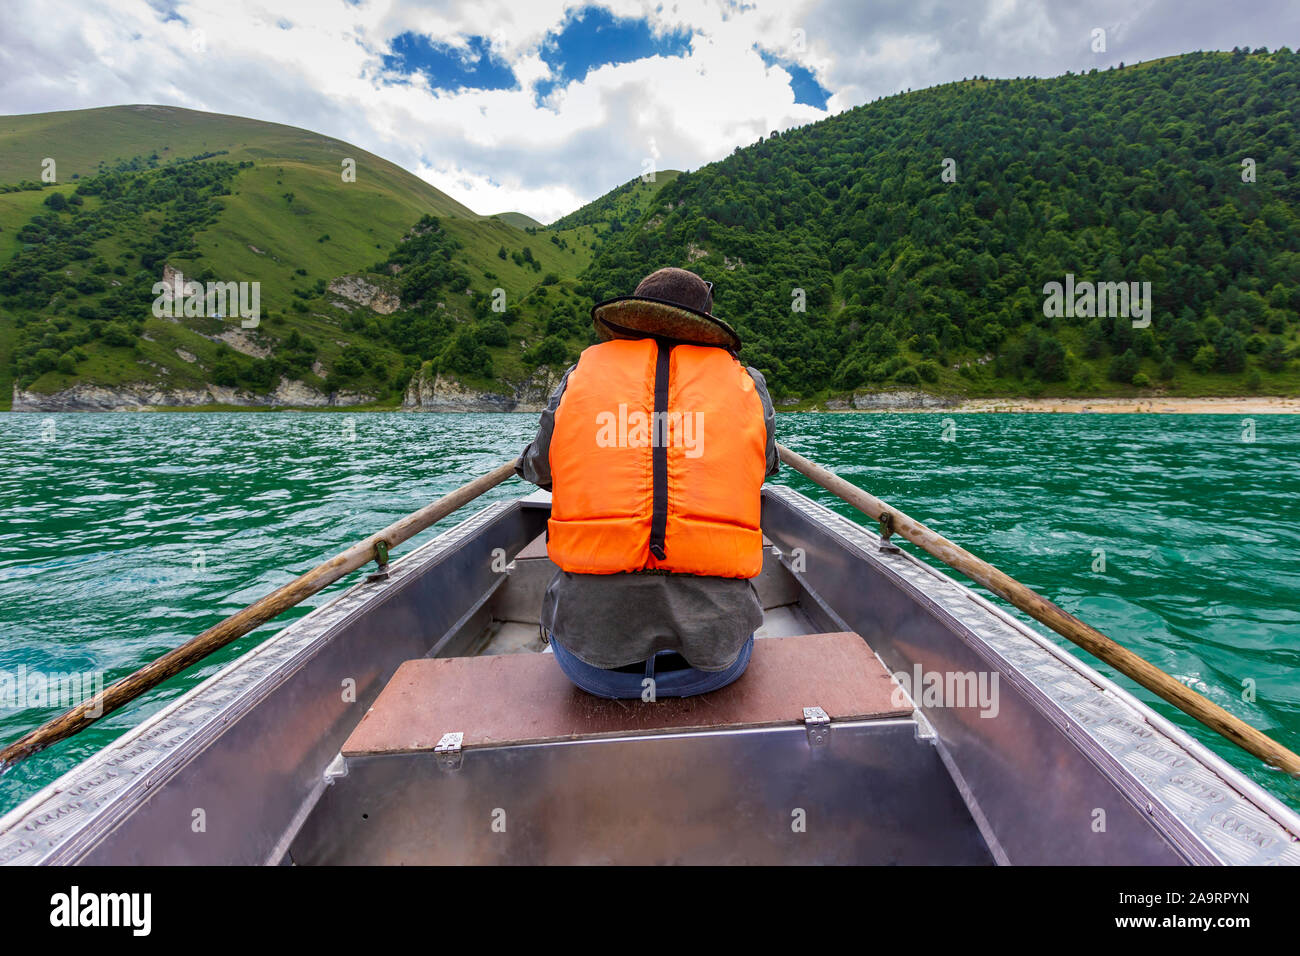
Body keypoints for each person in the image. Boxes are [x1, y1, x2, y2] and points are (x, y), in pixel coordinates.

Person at [516, 267, 778, 699]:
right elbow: (763, 468)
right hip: (713, 664)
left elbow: (541, 471)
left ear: (632, 319)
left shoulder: (578, 376)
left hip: (593, 666)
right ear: (707, 322)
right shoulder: (749, 384)